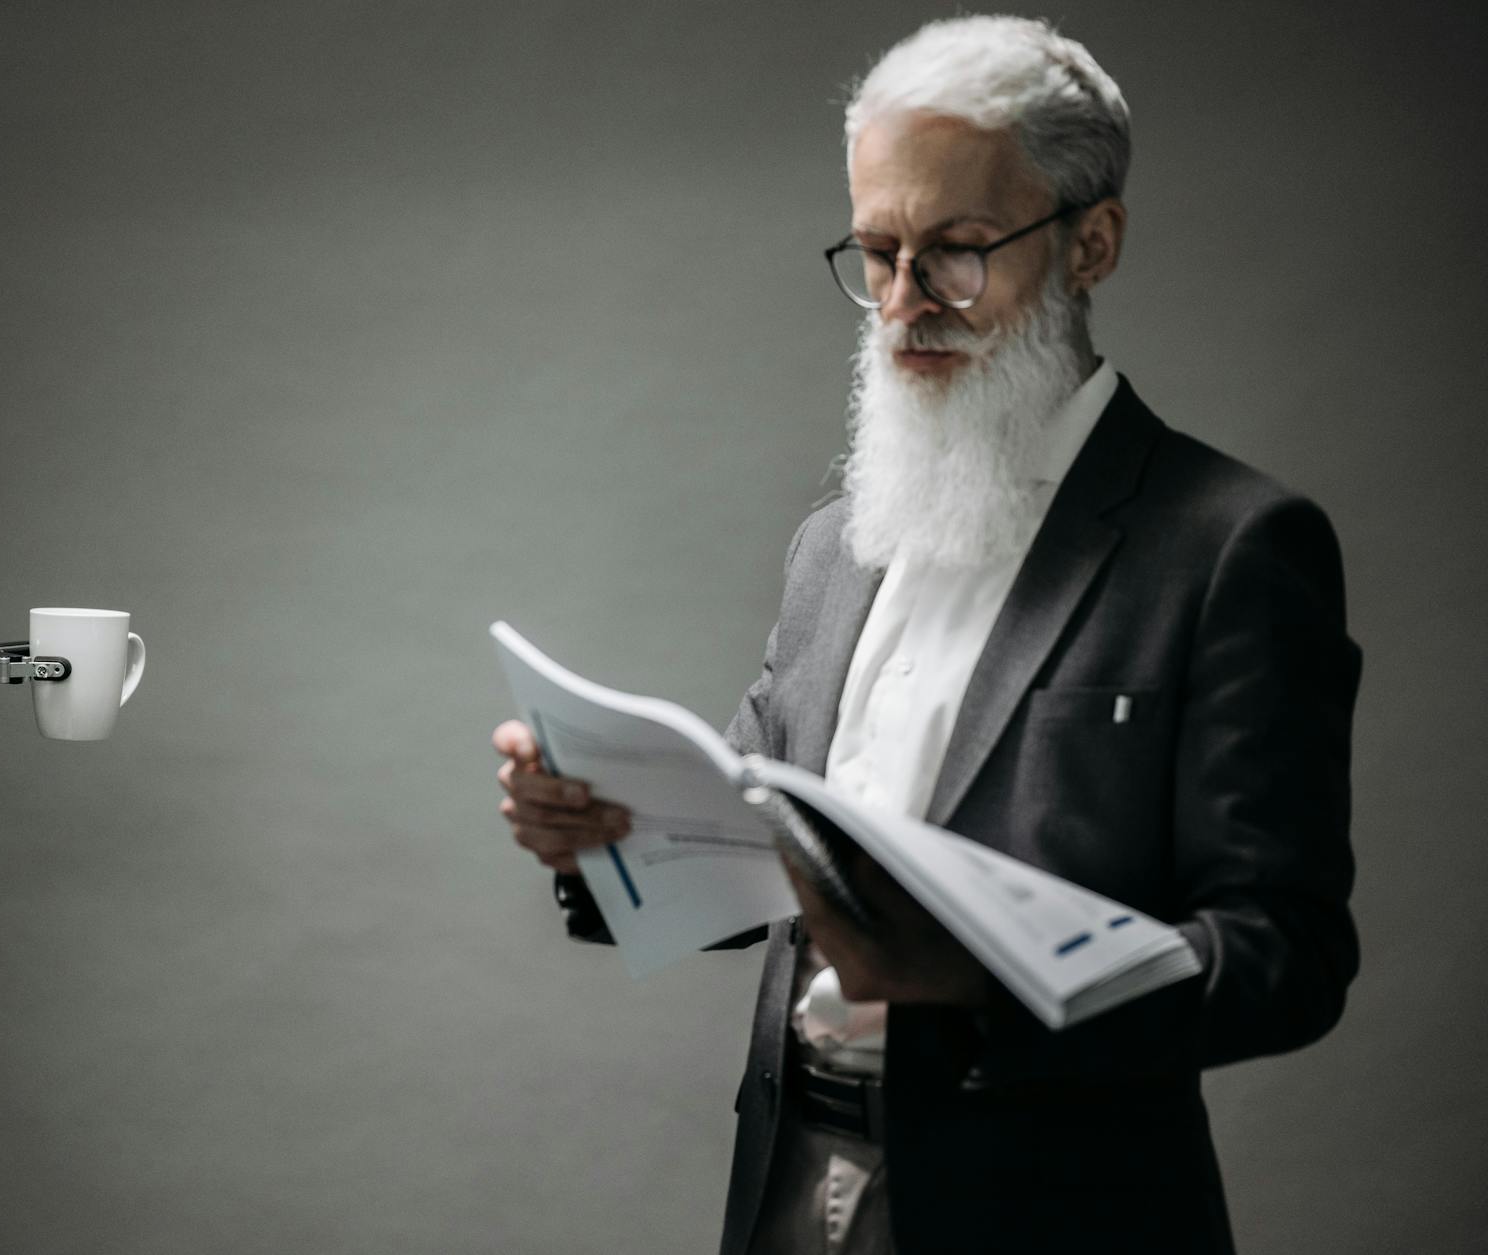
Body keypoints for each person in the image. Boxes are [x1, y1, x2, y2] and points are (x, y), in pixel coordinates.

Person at [493, 15, 1360, 1255]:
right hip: (793, 1175)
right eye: (877, 252)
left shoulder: (1230, 545)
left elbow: (1285, 956)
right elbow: (751, 850)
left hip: (1053, 1211)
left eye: (953, 253)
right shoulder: (834, 543)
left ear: (1089, 243)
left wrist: (987, 979)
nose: (901, 307)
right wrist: (603, 834)